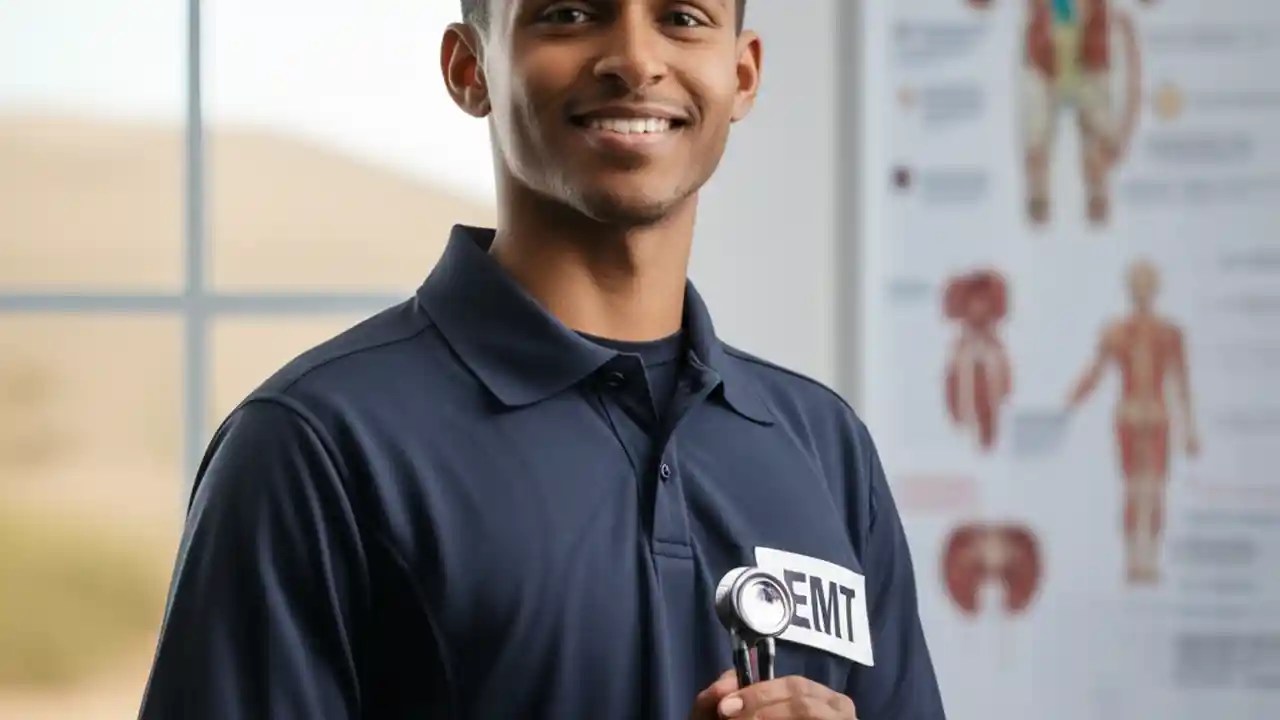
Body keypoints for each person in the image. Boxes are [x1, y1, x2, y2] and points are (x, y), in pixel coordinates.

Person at [137, 1, 946, 718]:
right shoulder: (314, 446)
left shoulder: (825, 446)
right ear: (470, 69)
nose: (634, 59)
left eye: (682, 18)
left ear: (742, 75)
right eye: (567, 13)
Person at [1066, 259, 1198, 585]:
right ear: (1130, 288)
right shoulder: (1117, 332)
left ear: (1154, 288)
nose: (1141, 290)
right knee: (1132, 489)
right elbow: (1095, 373)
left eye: (1146, 283)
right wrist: (1068, 404)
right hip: (1129, 416)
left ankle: (1150, 559)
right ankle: (1132, 561)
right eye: (1136, 283)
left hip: (1156, 415)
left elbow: (1181, 383)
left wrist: (1190, 428)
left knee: (1153, 490)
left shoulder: (1169, 334)